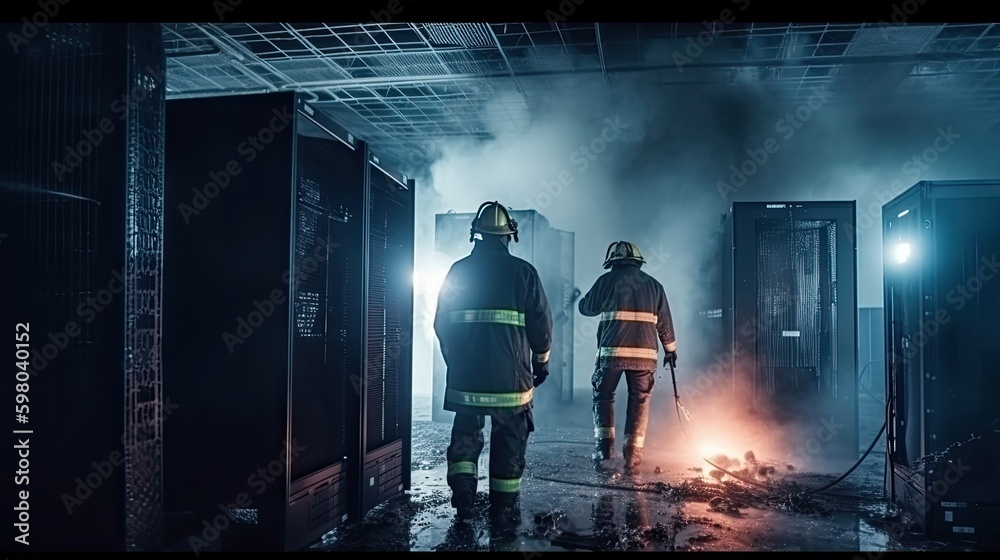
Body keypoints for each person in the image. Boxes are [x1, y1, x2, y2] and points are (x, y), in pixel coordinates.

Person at [433, 201, 554, 522]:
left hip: (466, 380)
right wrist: (541, 362)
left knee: (465, 436)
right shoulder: (524, 273)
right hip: (510, 386)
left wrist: (455, 362)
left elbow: (441, 325)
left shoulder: (458, 271)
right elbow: (541, 326)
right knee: (509, 442)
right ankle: (503, 507)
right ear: (509, 235)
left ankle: (462, 488)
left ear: (476, 234)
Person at [578, 241, 678, 473]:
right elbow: (665, 323)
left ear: (612, 262)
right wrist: (670, 350)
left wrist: (582, 299)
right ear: (638, 262)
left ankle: (604, 452)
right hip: (645, 359)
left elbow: (587, 308)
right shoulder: (655, 286)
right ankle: (632, 456)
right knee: (639, 400)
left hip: (612, 356)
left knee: (603, 397)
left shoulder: (606, 281)